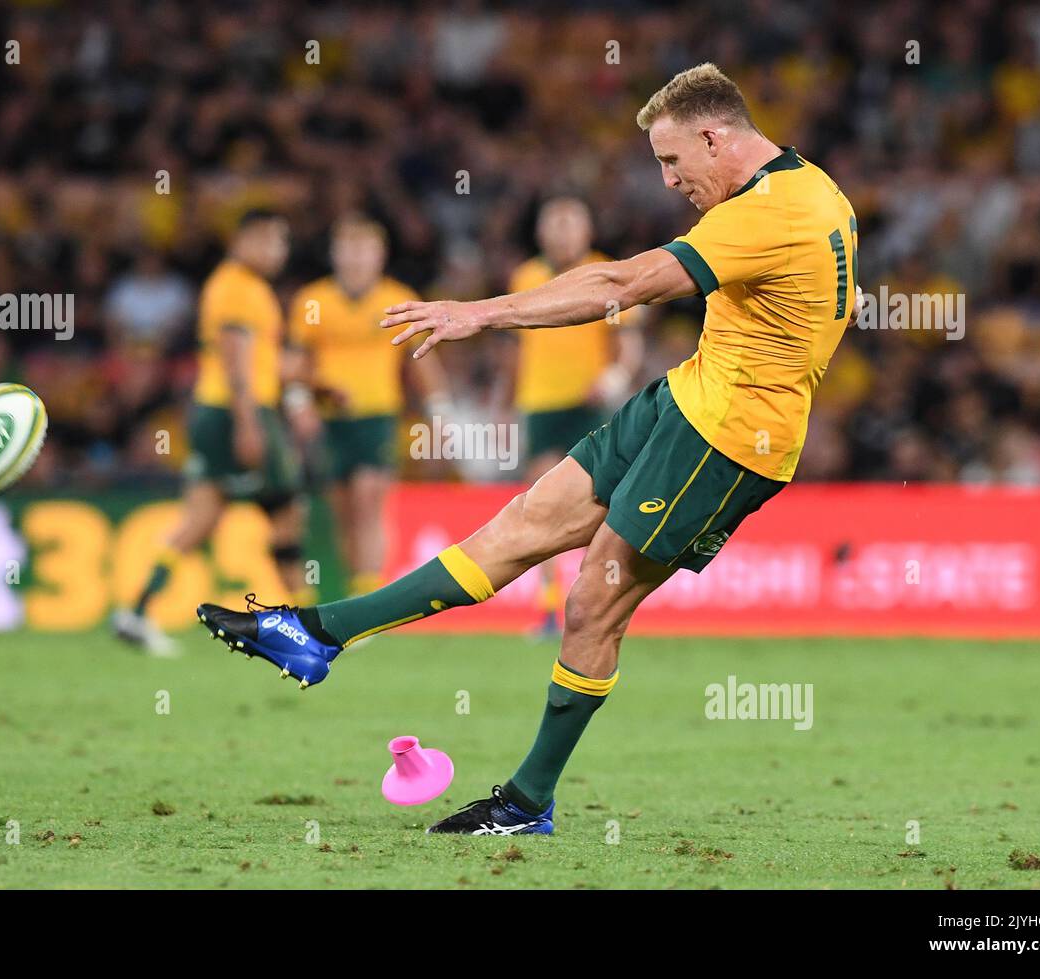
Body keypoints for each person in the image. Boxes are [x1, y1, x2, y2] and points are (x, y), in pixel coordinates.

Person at [197, 64, 861, 834]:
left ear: (716, 137)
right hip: (686, 396)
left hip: (728, 438)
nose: (670, 180)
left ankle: (525, 802)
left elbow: (624, 282)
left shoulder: (769, 215)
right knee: (514, 529)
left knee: (592, 605)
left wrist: (480, 313)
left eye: (673, 161)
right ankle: (315, 634)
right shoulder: (812, 185)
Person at [115, 209, 305, 654]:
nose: (280, 252)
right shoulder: (239, 288)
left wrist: (311, 385)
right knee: (287, 508)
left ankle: (136, 612)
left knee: (200, 519)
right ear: (248, 241)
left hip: (215, 410)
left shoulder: (235, 286)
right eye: (274, 241)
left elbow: (259, 359)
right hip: (236, 411)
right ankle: (311, 624)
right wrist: (248, 424)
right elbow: (238, 360)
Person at [290, 217, 450, 598]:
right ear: (334, 255)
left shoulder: (396, 299)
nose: (356, 259)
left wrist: (440, 411)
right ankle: (355, 591)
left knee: (368, 500)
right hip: (330, 418)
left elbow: (421, 358)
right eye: (348, 250)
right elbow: (297, 360)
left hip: (377, 415)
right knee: (342, 510)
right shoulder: (313, 301)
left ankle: (370, 595)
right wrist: (298, 404)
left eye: (364, 250)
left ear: (380, 256)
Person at [504, 197, 643, 636]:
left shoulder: (607, 272)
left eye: (571, 224)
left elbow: (630, 338)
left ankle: (601, 607)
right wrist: (505, 400)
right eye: (555, 224)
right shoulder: (525, 275)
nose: (563, 233)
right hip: (540, 405)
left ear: (587, 232)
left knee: (602, 514)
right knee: (542, 511)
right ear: (542, 232)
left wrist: (617, 375)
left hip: (591, 405)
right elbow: (515, 347)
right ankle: (549, 611)